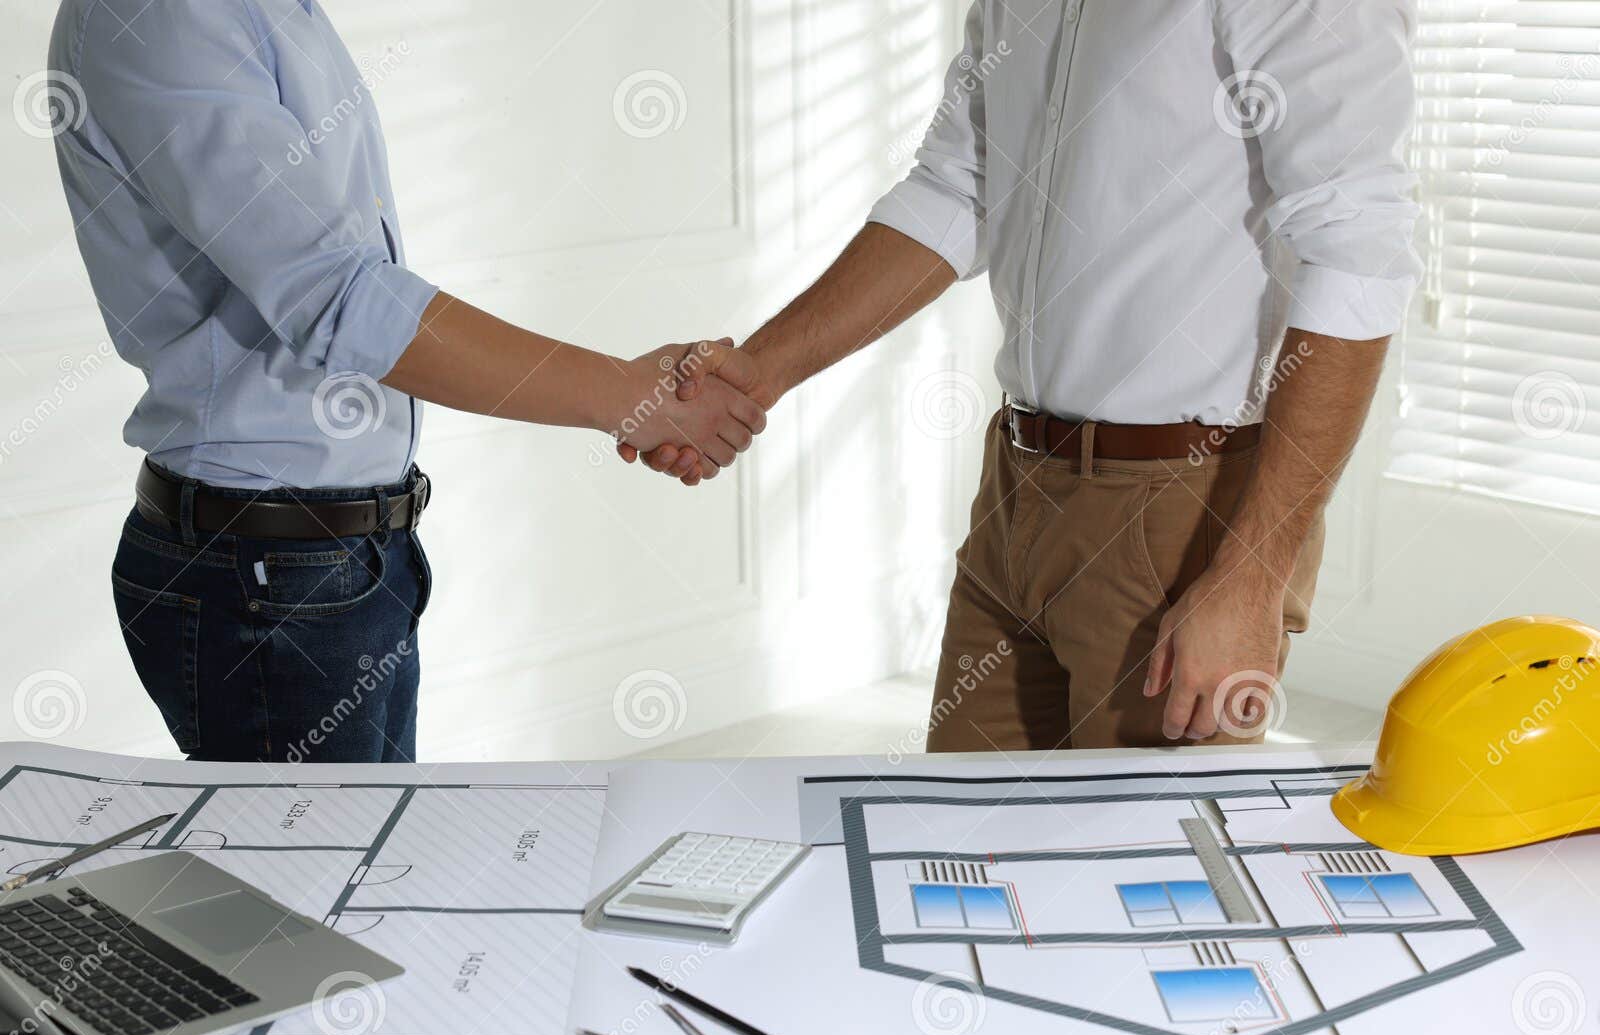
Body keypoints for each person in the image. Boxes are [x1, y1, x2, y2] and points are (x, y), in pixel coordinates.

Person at [631, 0, 1422, 750]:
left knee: (1137, 868)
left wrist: (1253, 577)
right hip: (1016, 491)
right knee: (957, 856)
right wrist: (755, 372)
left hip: (1184, 511)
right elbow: (959, 188)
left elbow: (1357, 249)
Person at [48, 0, 763, 762]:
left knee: (368, 872)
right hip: (266, 575)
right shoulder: (162, 14)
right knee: (309, 879)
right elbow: (341, 296)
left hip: (341, 558)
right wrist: (629, 396)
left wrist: (638, 394)